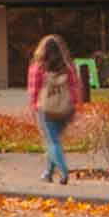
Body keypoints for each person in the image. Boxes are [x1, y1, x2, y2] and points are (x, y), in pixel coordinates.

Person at [26, 34, 85, 184]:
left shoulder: (37, 67)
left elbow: (34, 90)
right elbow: (75, 87)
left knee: (52, 142)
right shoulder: (68, 67)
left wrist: (33, 107)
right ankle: (48, 174)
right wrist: (77, 105)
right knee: (54, 141)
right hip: (67, 108)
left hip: (46, 108)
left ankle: (63, 171)